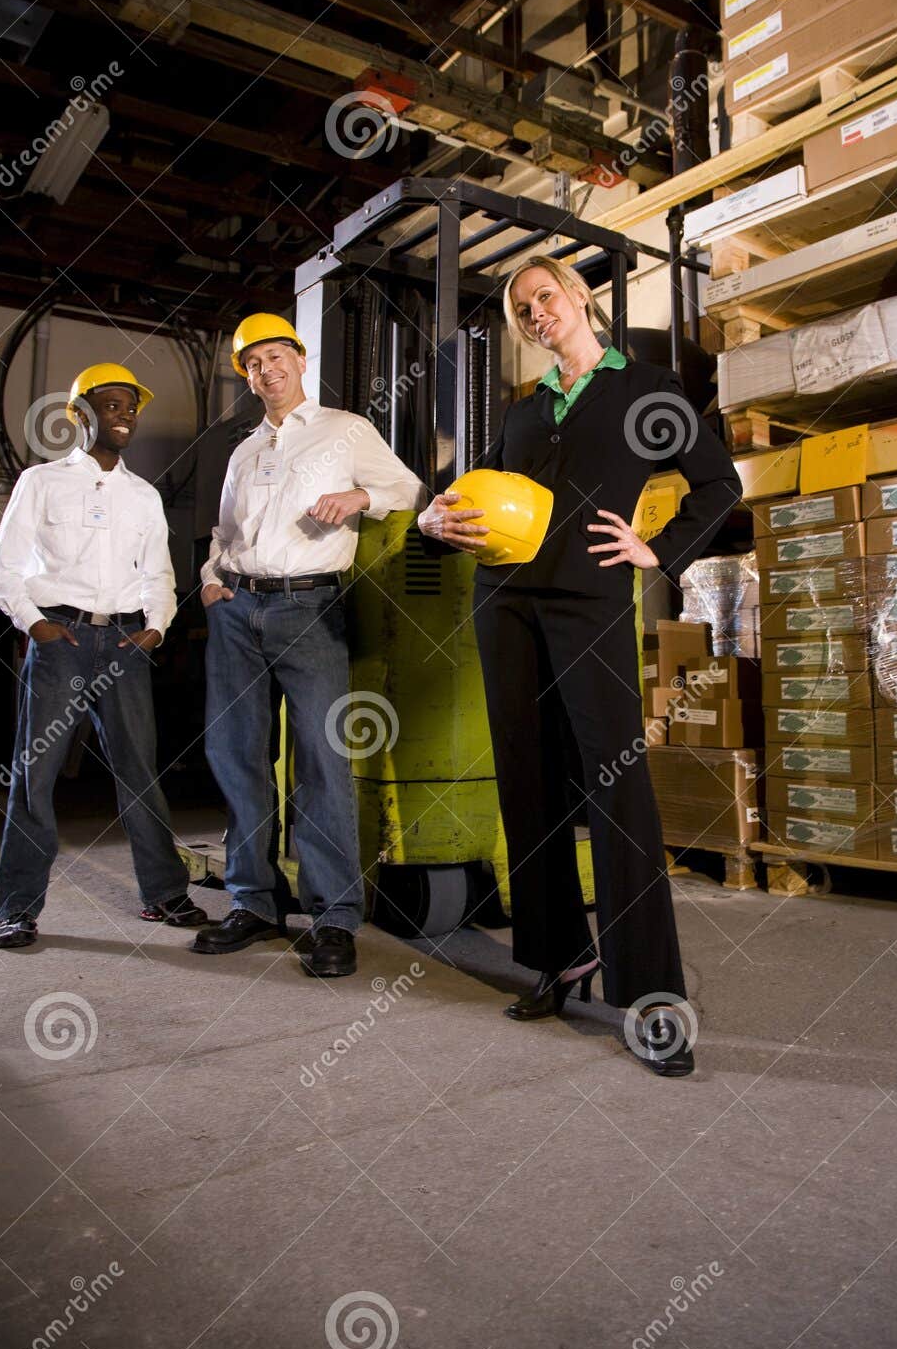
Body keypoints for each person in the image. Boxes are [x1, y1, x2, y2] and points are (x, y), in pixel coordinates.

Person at [418, 256, 743, 1078]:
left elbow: (718, 485)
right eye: (521, 308)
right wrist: (433, 515)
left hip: (590, 602)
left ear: (577, 297)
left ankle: (650, 994)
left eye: (544, 296)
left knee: (616, 784)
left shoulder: (645, 389)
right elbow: (477, 488)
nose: (535, 313)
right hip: (505, 602)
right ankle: (559, 959)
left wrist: (655, 551)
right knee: (527, 778)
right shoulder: (524, 410)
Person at [193, 312, 426, 977]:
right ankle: (253, 904)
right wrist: (212, 579)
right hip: (237, 609)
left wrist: (359, 496)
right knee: (238, 758)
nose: (266, 371)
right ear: (248, 376)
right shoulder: (244, 451)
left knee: (323, 761)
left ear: (299, 359)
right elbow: (223, 532)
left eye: (276, 357)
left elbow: (407, 487)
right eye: (253, 364)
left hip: (310, 607)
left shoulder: (344, 430)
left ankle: (331, 917)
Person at [0, 363, 207, 949]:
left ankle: (163, 895)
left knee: (141, 771)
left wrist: (157, 627)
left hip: (125, 644)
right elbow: (4, 572)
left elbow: (159, 572)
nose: (125, 415)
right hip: (63, 641)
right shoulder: (41, 483)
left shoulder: (144, 495)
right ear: (80, 415)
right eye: (111, 405)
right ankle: (17, 908)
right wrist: (37, 626)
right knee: (35, 777)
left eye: (131, 406)